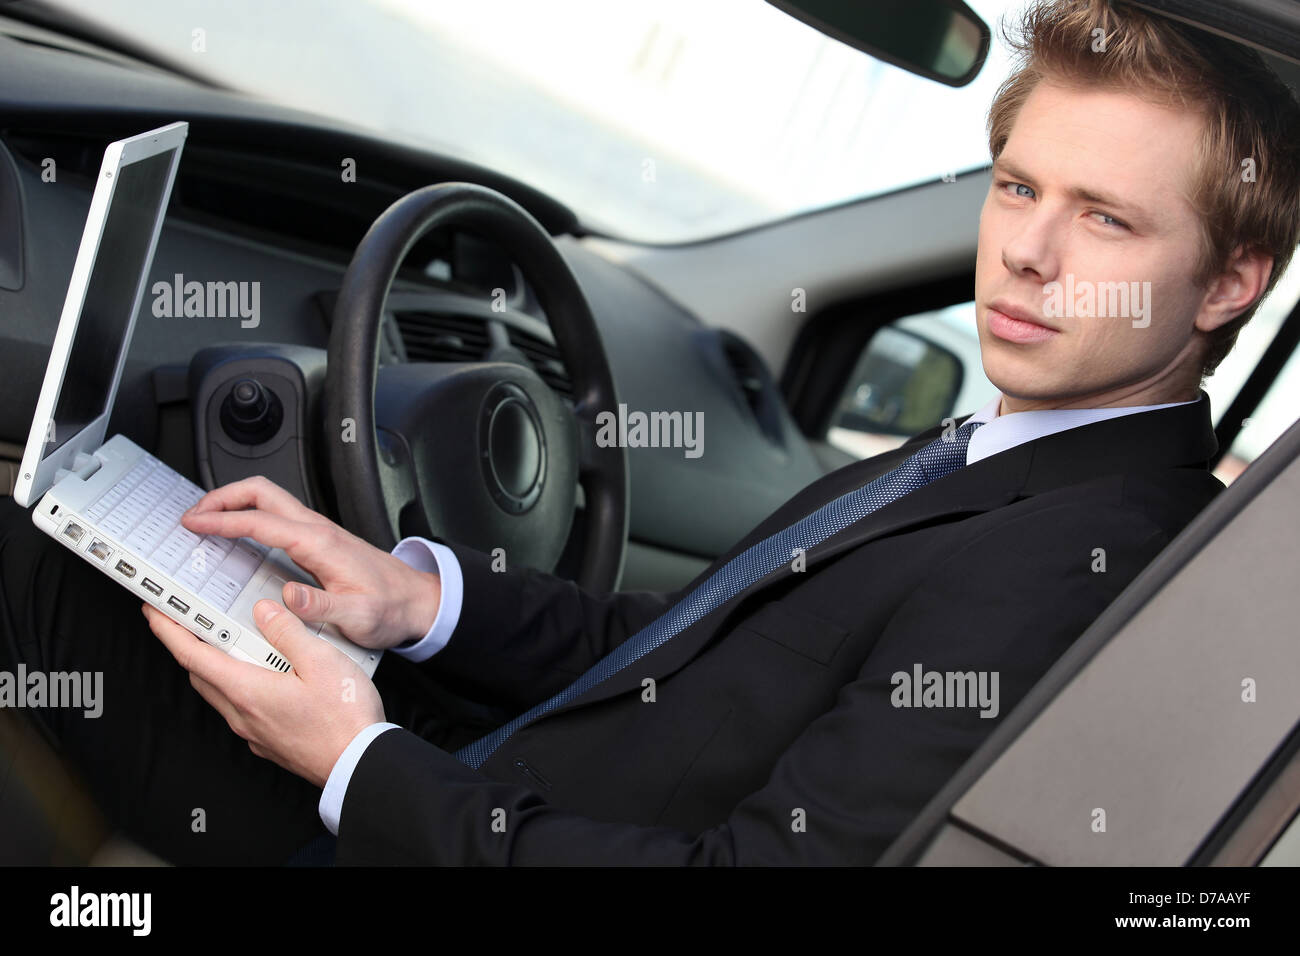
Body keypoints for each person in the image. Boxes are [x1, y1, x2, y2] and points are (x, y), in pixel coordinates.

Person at [2, 0, 1299, 865]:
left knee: (25, 560)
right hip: (474, 778)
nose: (1027, 250)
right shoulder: (1019, 447)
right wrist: (420, 598)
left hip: (418, 830)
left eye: (1108, 220)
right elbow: (682, 648)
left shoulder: (1090, 560)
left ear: (1233, 280)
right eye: (1018, 186)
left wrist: (359, 761)